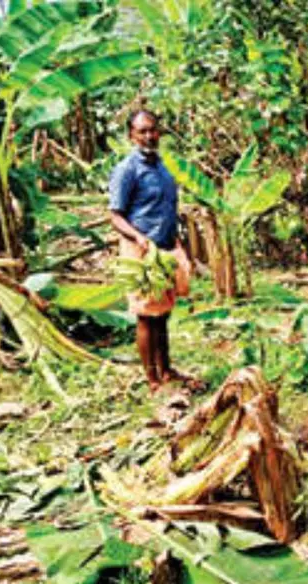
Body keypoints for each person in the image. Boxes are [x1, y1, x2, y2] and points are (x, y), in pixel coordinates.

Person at [109, 109, 198, 393]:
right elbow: (115, 215)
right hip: (141, 250)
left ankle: (167, 369)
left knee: (164, 312)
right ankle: (152, 379)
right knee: (146, 315)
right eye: (142, 131)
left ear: (159, 132)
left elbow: (169, 210)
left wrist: (178, 243)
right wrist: (139, 237)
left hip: (166, 247)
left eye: (152, 130)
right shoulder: (127, 169)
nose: (148, 135)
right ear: (131, 135)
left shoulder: (162, 168)